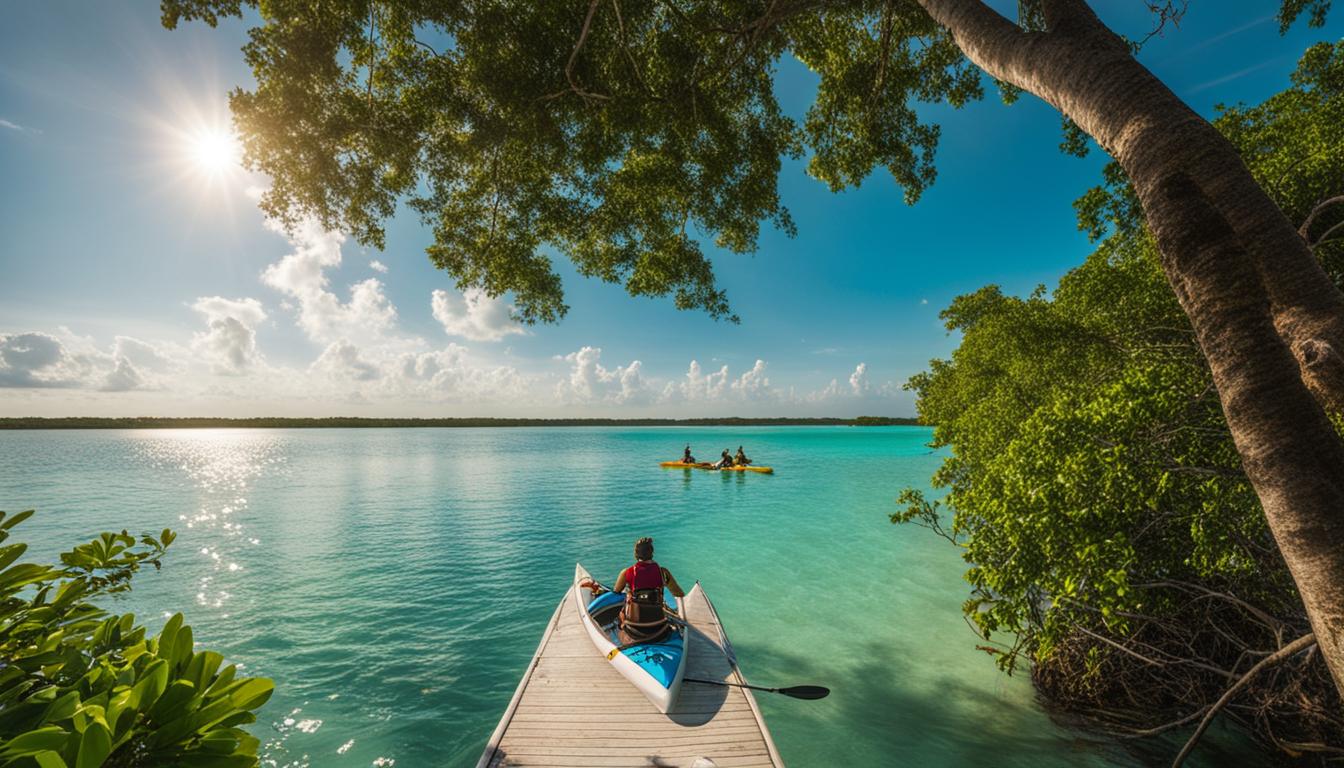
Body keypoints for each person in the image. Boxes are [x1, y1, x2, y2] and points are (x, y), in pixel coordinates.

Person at [608, 537, 685, 645]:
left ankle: (621, 633)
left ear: (635, 554)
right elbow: (679, 594)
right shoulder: (663, 572)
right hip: (659, 628)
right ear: (652, 553)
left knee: (621, 613)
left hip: (634, 629)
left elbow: (616, 592)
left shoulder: (627, 573)